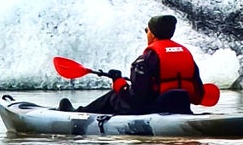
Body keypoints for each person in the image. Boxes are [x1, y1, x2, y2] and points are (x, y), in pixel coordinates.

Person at [60, 14, 205, 115]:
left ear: (153, 34)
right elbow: (198, 96)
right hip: (182, 108)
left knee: (114, 96)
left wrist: (119, 84)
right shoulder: (187, 56)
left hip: (152, 111)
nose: (146, 33)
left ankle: (78, 114)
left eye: (147, 30)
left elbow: (136, 100)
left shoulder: (145, 59)